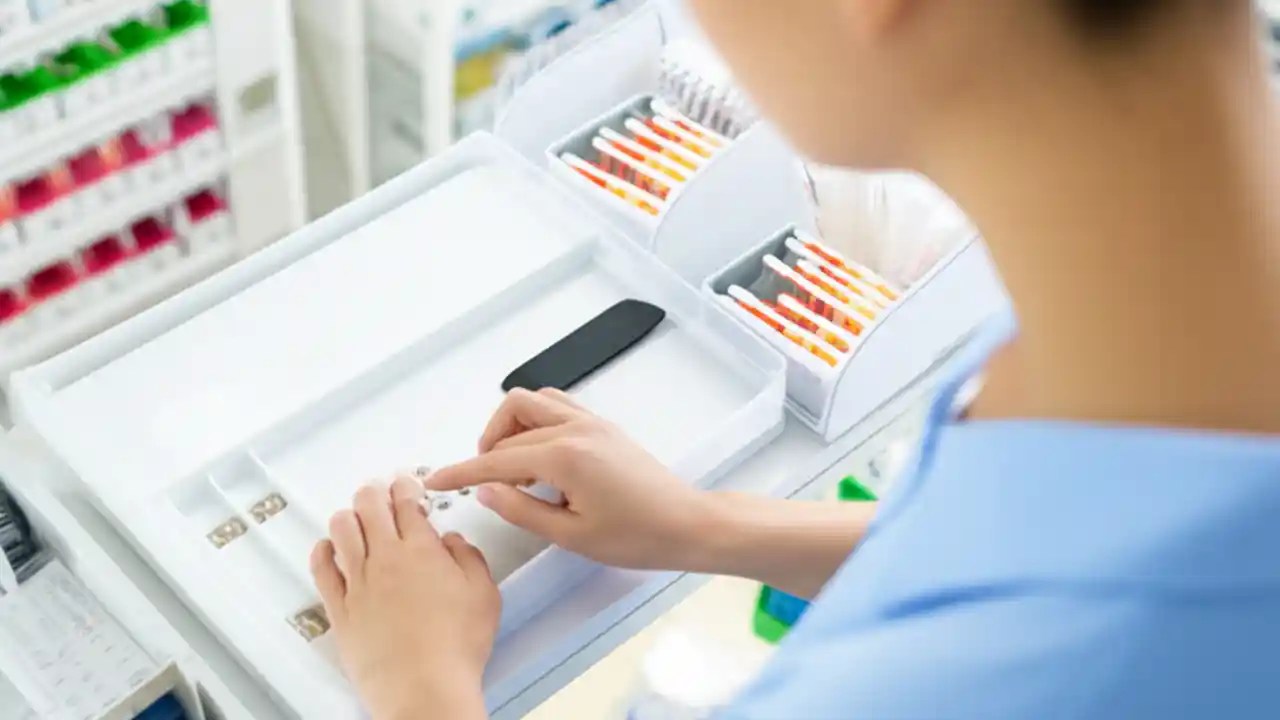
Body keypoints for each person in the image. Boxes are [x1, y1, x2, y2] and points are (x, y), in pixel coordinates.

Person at [308, 0, 1280, 717]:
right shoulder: (1133, 307)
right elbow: (1047, 544)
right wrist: (708, 529)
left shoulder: (948, 689)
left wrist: (417, 686)